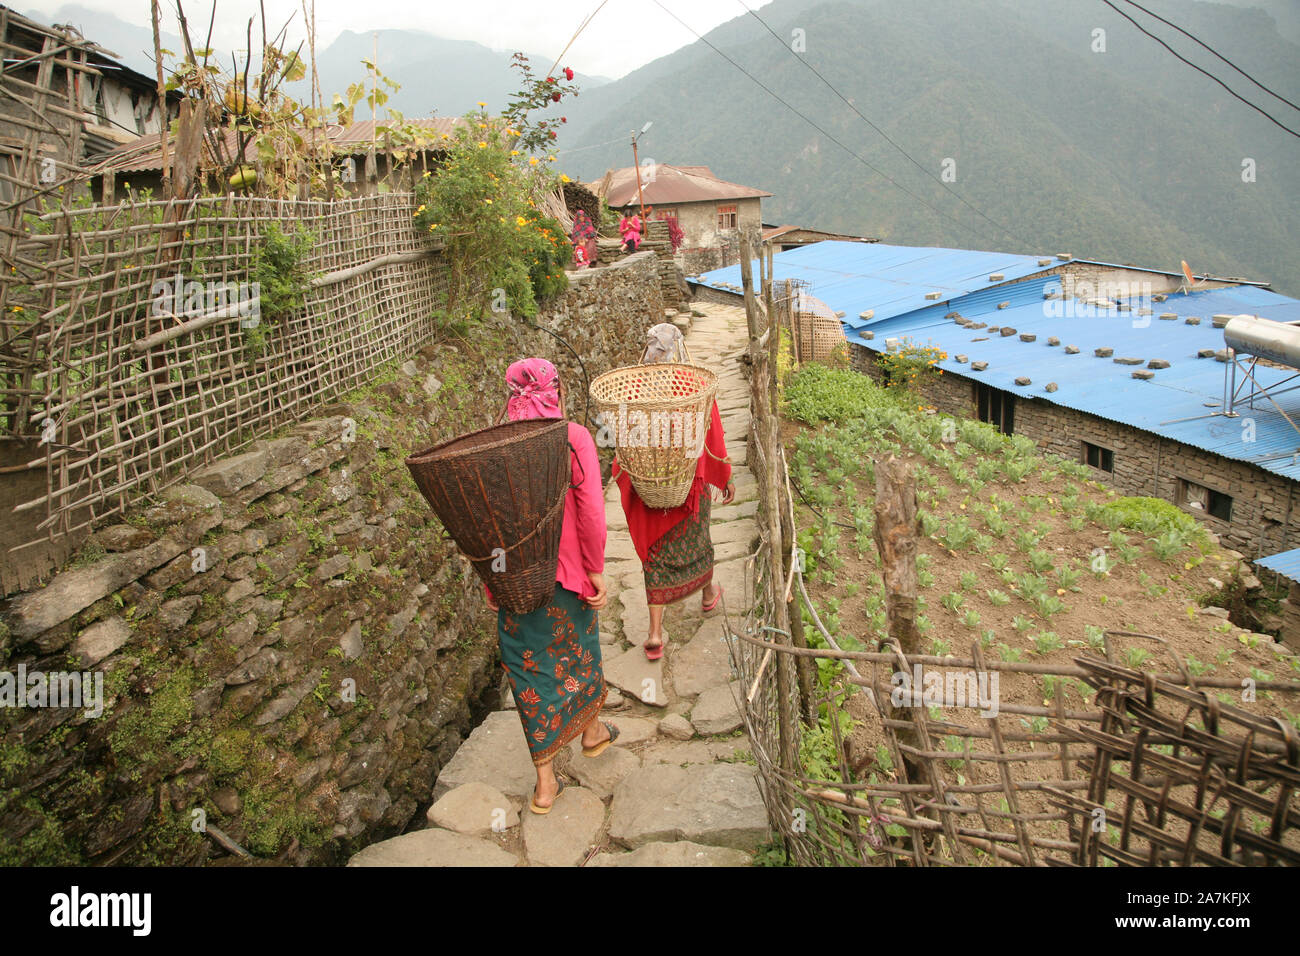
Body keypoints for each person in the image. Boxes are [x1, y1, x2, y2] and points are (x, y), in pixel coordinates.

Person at [487, 358, 618, 814]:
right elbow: (591, 513)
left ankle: (546, 784)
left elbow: (483, 525)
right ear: (555, 391)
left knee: (529, 671)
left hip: (514, 584)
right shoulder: (572, 438)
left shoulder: (493, 446)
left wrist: (493, 585)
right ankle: (591, 731)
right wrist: (595, 568)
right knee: (579, 653)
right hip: (565, 575)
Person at [612, 324, 735, 660]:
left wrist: (630, 476)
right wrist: (724, 477)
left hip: (649, 490)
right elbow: (714, 438)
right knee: (699, 541)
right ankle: (708, 595)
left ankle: (654, 633)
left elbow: (622, 450)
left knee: (655, 558)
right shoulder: (693, 388)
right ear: (679, 350)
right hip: (688, 487)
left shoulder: (631, 392)